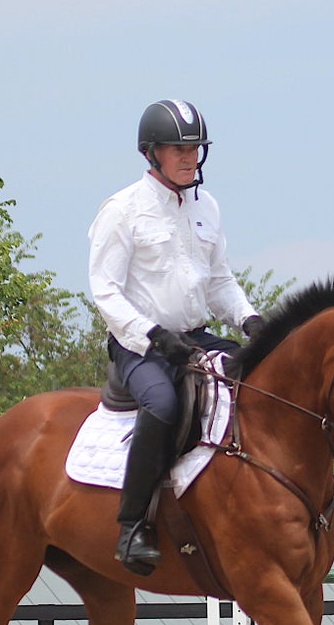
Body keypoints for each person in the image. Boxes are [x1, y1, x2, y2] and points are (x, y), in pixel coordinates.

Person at [88, 98, 264, 576]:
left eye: (196, 149)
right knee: (164, 406)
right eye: (178, 149)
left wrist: (249, 320)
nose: (190, 157)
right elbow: (104, 290)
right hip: (140, 346)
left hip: (194, 338)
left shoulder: (207, 206)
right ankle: (133, 526)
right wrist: (150, 334)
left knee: (260, 381)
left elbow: (220, 280)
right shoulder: (122, 210)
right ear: (152, 153)